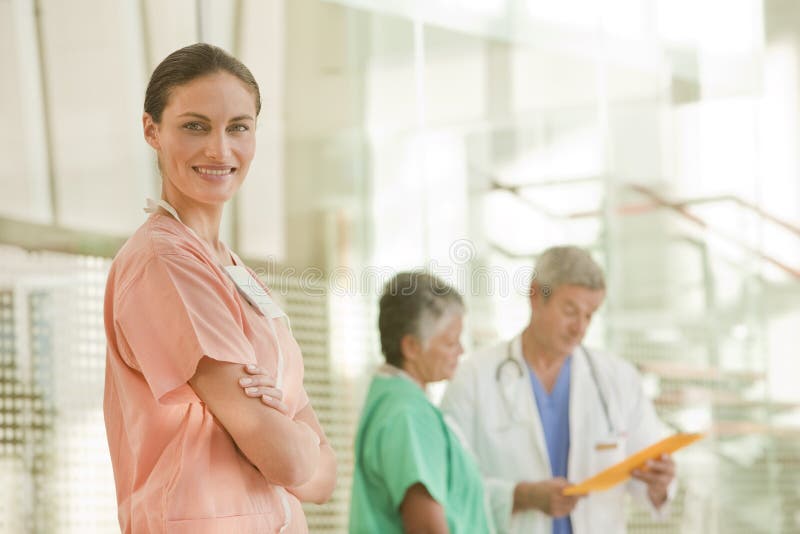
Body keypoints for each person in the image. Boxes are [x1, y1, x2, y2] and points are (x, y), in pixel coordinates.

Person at [103, 43, 336, 533]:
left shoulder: (233, 270)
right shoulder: (165, 263)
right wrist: (291, 435)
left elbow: (324, 480)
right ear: (152, 130)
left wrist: (288, 437)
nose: (220, 149)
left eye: (238, 127)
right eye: (195, 126)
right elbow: (293, 464)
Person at [440, 245, 676, 534]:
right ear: (536, 295)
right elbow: (449, 483)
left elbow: (649, 478)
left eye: (589, 315)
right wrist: (521, 496)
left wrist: (659, 484)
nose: (579, 327)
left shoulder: (618, 379)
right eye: (570, 310)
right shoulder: (474, 378)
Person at [349, 272, 495, 534]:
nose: (460, 351)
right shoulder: (408, 413)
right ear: (412, 347)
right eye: (451, 342)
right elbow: (427, 528)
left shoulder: (391, 399)